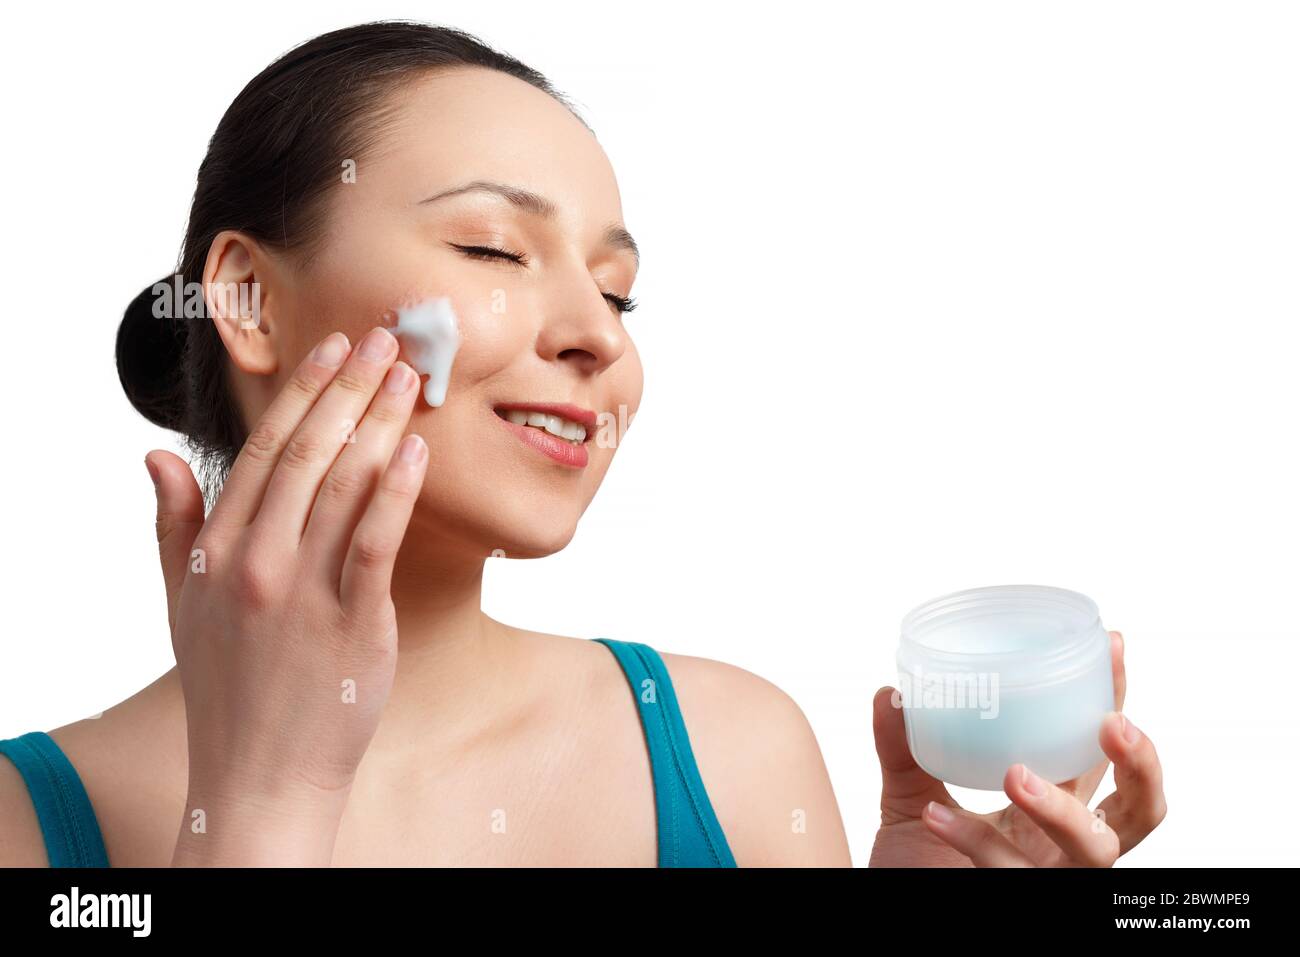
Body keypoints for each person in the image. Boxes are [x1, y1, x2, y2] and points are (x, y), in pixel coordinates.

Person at [0, 21, 1163, 868]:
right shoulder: (27, 822)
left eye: (619, 295)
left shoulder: (731, 753)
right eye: (496, 252)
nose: (599, 341)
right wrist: (260, 800)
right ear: (246, 304)